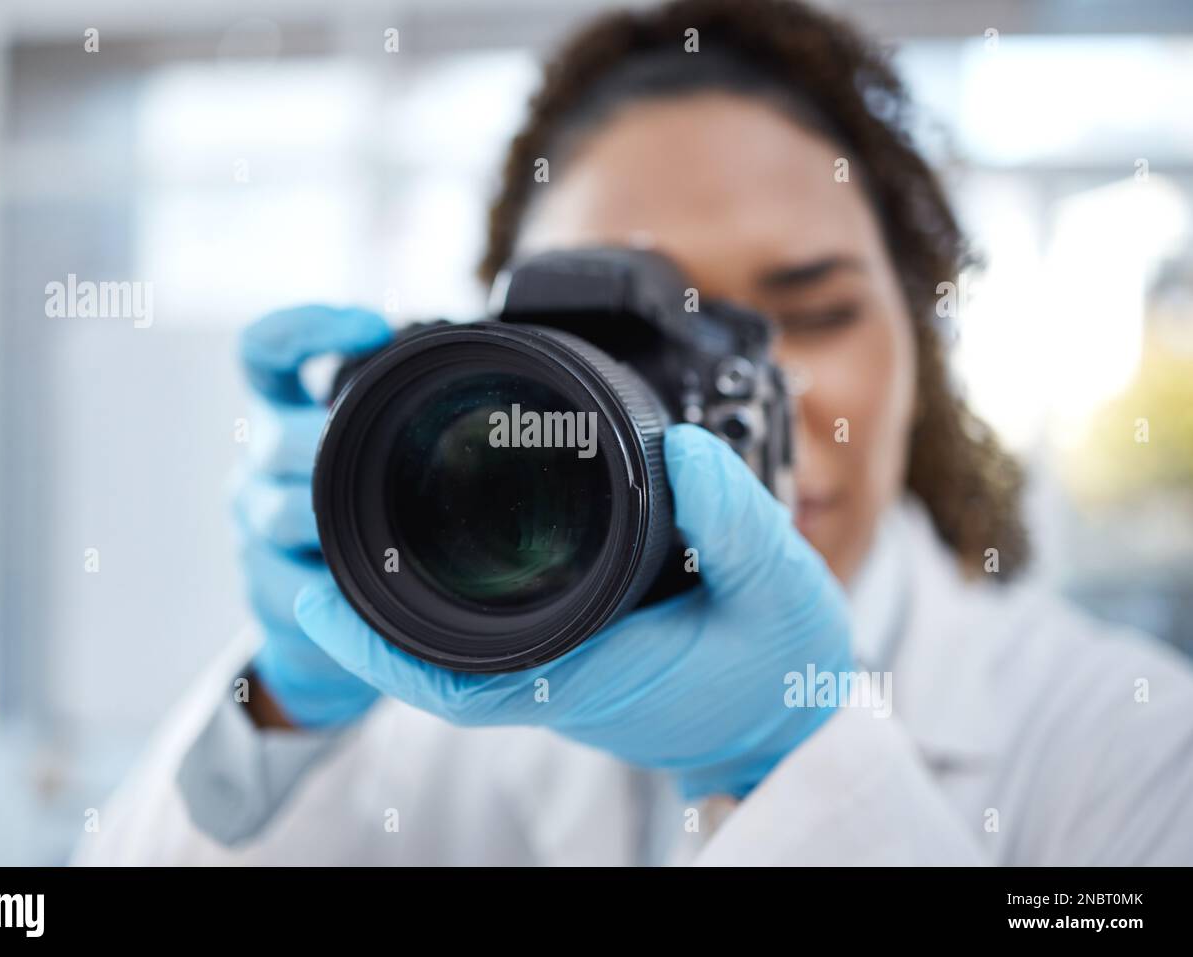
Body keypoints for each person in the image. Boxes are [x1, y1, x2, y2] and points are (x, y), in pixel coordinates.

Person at [74, 0, 1193, 866]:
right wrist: (276, 711)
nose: (739, 398)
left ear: (922, 345)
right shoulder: (437, 706)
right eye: (621, 348)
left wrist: (788, 767)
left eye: (811, 312)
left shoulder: (1135, 745)